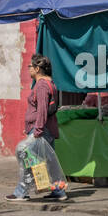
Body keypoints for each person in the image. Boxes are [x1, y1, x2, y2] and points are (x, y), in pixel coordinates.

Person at [7, 54, 66, 201]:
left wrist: (37, 130)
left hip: (41, 130)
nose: (29, 70)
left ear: (37, 68)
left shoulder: (41, 85)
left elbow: (42, 111)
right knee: (50, 162)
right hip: (47, 129)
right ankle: (58, 191)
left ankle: (21, 192)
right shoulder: (50, 84)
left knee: (24, 154)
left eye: (30, 67)